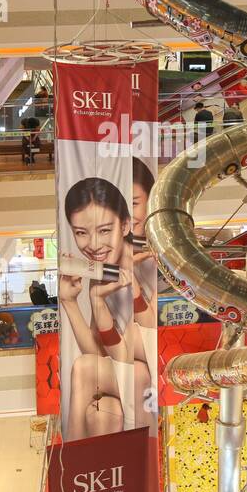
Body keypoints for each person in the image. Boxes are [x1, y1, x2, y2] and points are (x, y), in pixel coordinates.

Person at [60, 177, 156, 440]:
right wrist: (71, 303)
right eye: (81, 232)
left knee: (86, 369)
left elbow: (149, 337)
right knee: (103, 409)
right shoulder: (103, 272)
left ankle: (74, 464)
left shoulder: (150, 261)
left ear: (125, 225)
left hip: (154, 374)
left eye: (104, 230)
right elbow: (98, 353)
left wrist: (130, 283)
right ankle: (87, 464)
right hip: (130, 378)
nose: (93, 244)